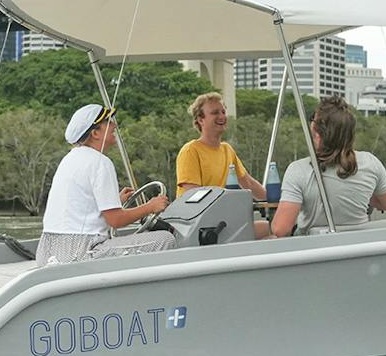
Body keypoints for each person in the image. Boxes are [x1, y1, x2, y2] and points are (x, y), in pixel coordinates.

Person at [37, 104, 174, 265]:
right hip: (81, 252)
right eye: (108, 122)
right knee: (166, 239)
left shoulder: (68, 159)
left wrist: (116, 200)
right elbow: (115, 220)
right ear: (95, 133)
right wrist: (150, 206)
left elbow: (80, 206)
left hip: (47, 251)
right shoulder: (100, 162)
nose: (114, 125)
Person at [272, 95, 386, 237]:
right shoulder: (371, 163)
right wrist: (361, 195)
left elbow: (281, 229)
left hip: (312, 251)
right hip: (358, 248)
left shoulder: (298, 170)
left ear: (316, 133)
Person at [176, 92, 267, 200]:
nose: (222, 116)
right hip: (194, 215)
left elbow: (248, 183)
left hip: (220, 213)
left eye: (223, 112)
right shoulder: (190, 151)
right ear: (200, 120)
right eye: (215, 113)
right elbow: (193, 195)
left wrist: (280, 200)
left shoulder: (227, 150)